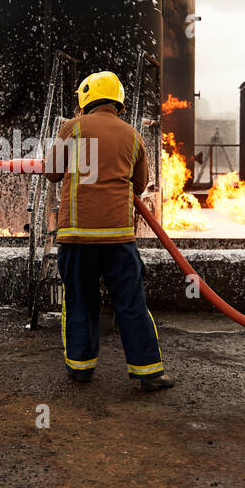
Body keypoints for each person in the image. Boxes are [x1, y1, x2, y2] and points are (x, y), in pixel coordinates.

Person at [45, 71, 174, 391]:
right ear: (118, 100)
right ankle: (148, 371)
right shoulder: (132, 135)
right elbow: (140, 185)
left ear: (85, 99)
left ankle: (81, 367)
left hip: (77, 237)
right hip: (119, 238)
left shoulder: (71, 129)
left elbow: (51, 173)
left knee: (79, 299)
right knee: (131, 301)